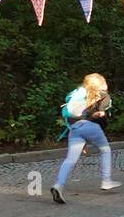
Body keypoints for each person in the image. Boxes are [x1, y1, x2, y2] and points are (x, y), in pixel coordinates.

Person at [51, 73, 120, 204]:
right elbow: (101, 114)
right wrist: (101, 113)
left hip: (75, 128)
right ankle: (106, 181)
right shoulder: (102, 95)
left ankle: (58, 185)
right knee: (105, 150)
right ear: (99, 84)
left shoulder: (80, 93)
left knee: (70, 159)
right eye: (103, 81)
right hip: (90, 127)